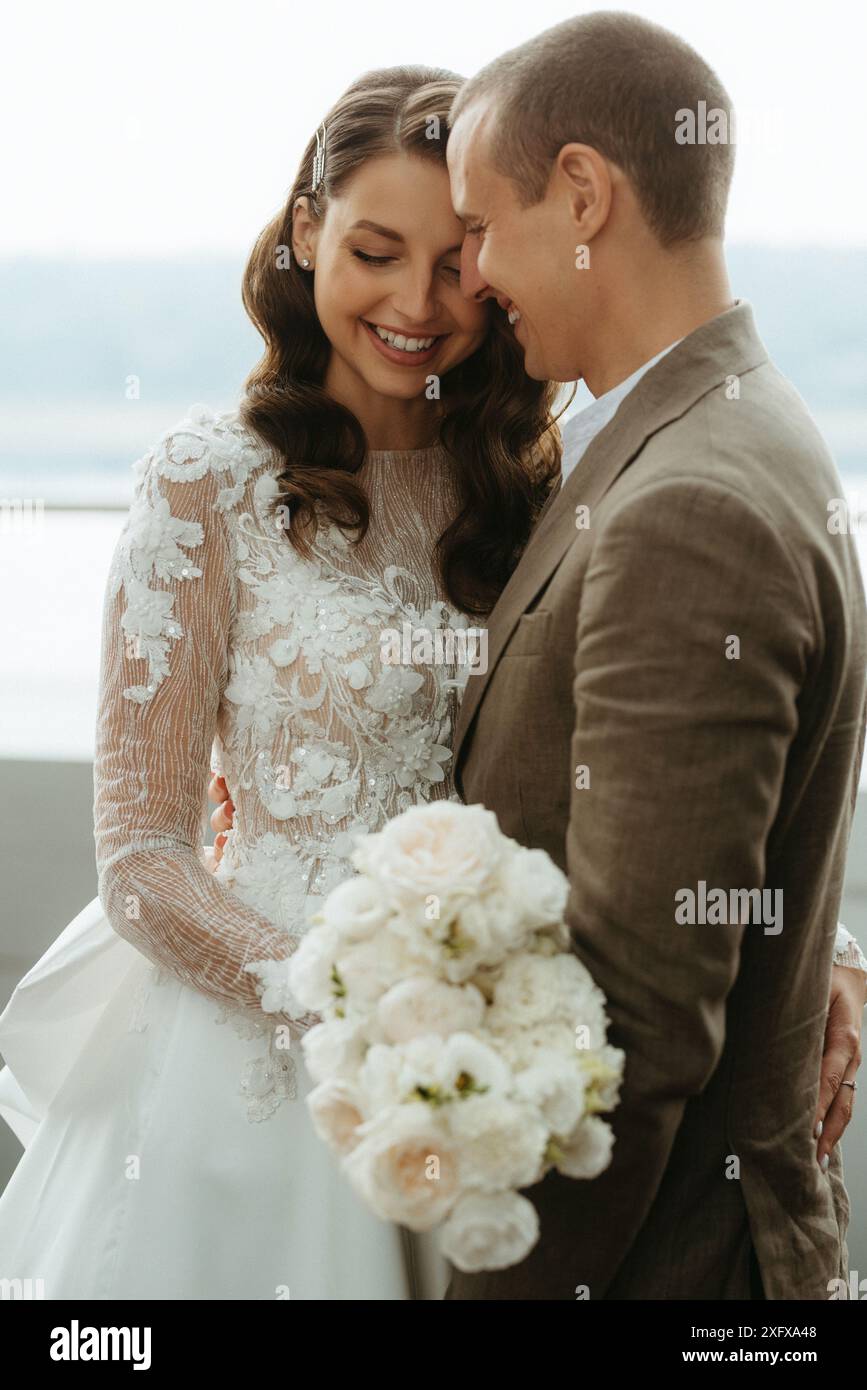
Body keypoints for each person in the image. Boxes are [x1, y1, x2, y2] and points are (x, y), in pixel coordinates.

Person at [0, 64, 560, 1300]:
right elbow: (142, 860)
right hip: (257, 1063)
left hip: (480, 1064)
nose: (419, 303)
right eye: (375, 249)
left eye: (457, 262)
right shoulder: (207, 482)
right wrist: (351, 1010)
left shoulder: (528, 495)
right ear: (306, 233)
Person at [437, 11, 867, 1299]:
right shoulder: (725, 426)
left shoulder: (690, 502)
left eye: (478, 226)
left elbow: (637, 1020)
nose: (469, 277)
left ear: (581, 194)